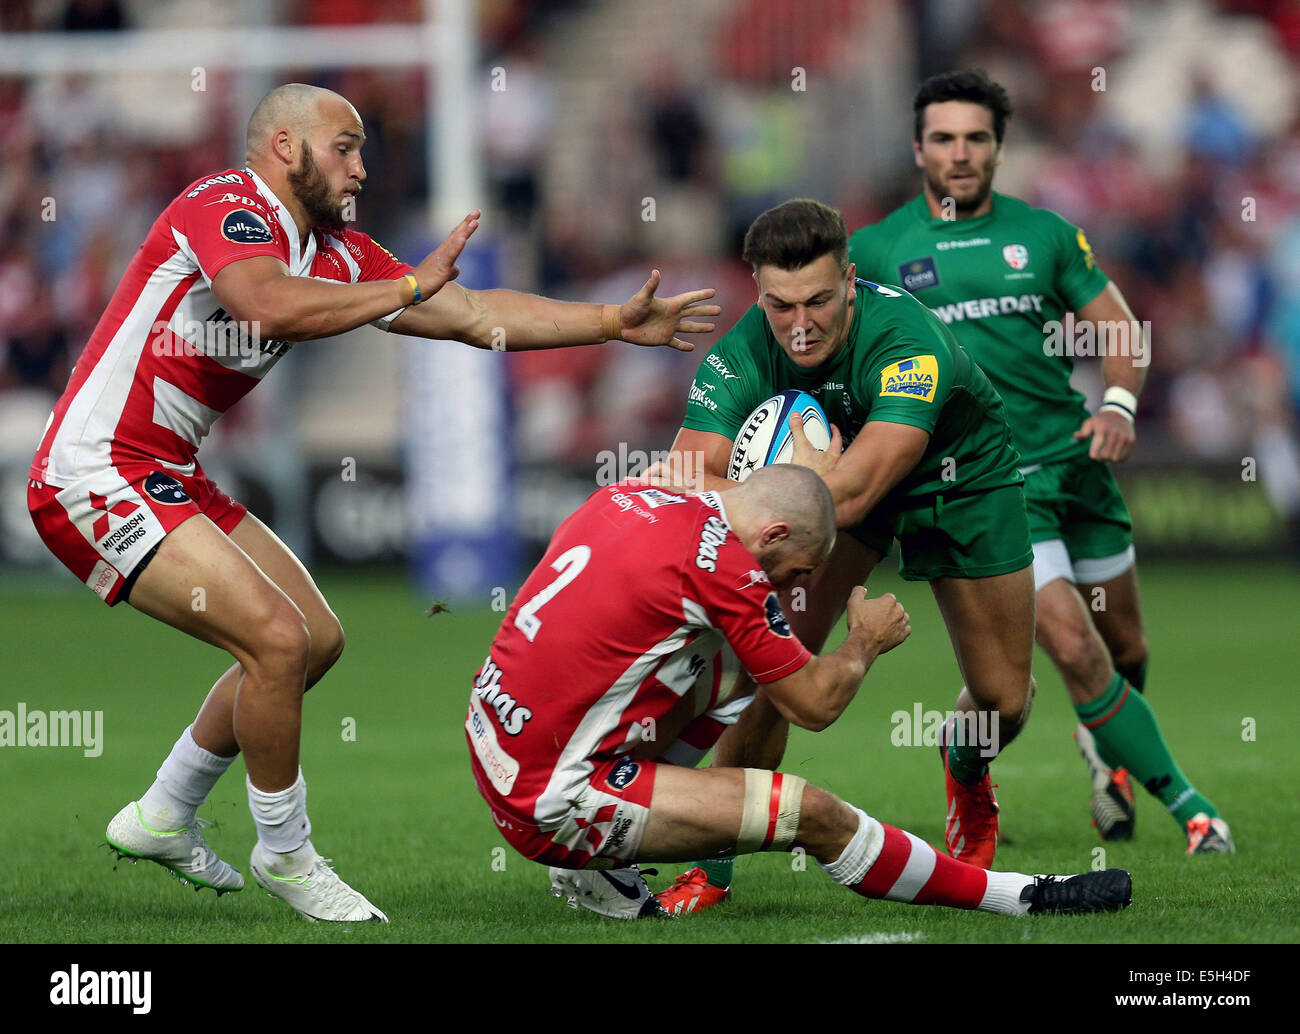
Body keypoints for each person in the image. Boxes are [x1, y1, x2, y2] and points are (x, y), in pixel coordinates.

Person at [27, 83, 719, 923]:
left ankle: (164, 813)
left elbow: (469, 313)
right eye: (344, 148)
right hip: (96, 468)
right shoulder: (227, 203)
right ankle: (287, 854)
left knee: (313, 640)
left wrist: (611, 319)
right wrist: (402, 292)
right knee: (275, 642)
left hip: (166, 466)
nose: (362, 167)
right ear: (284, 147)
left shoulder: (339, 251)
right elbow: (264, 302)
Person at [468, 465, 1132, 921]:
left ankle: (601, 868)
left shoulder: (630, 495)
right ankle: (1021, 896)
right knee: (812, 814)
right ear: (776, 534)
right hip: (550, 797)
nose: (792, 584)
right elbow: (814, 706)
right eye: (799, 570)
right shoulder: (725, 567)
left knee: (731, 670)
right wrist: (863, 642)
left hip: (494, 734)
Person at [849, 69, 1232, 856]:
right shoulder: (877, 251)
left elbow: (1120, 329)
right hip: (995, 484)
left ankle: (1108, 762)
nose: (961, 153)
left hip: (1078, 463)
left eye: (977, 138)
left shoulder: (1047, 235)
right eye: (945, 138)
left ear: (998, 146)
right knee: (1072, 645)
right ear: (919, 148)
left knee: (1126, 648)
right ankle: (1194, 810)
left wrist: (1120, 407)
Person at [650, 196, 1043, 914]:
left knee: (1002, 698)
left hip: (960, 478)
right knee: (775, 668)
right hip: (826, 491)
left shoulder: (907, 341)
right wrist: (762, 490)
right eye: (780, 305)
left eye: (820, 301)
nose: (800, 325)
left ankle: (966, 759)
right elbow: (682, 478)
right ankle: (712, 866)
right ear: (760, 294)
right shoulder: (745, 348)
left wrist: (761, 489)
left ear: (852, 281)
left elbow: (856, 491)